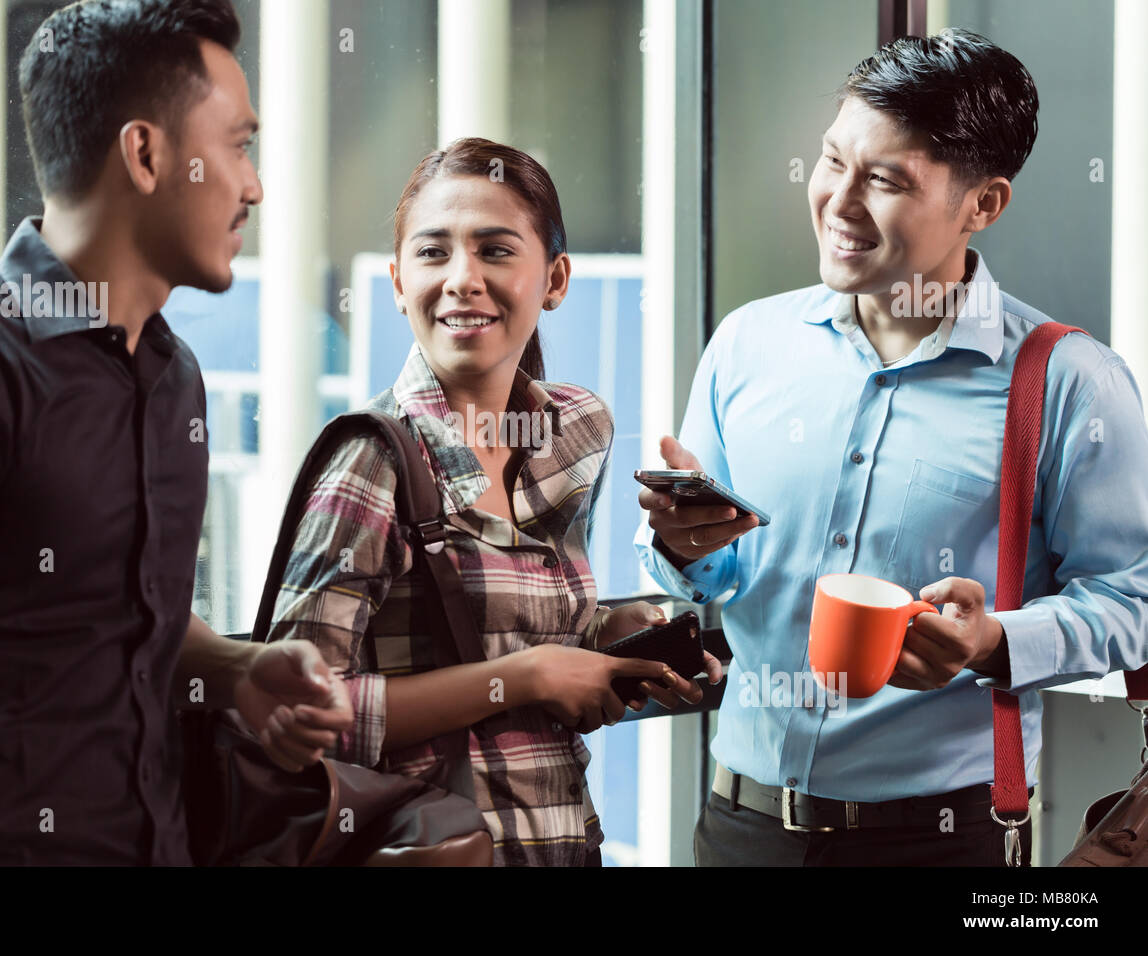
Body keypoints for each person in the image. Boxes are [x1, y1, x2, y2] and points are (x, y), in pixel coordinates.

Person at [0, 0, 350, 866]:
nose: (255, 184)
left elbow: (111, 621)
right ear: (146, 154)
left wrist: (236, 670)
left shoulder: (173, 376)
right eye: (237, 145)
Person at [636, 29, 1148, 866]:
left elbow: (1135, 600)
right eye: (834, 161)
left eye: (885, 180)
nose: (839, 200)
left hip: (938, 842)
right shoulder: (748, 343)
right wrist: (683, 546)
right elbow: (718, 575)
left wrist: (995, 643)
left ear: (982, 205)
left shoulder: (1067, 383)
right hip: (738, 825)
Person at [263, 137, 723, 866]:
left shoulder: (575, 431)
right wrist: (530, 676)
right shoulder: (372, 460)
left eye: (496, 251)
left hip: (567, 842)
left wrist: (606, 635)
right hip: (441, 851)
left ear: (556, 278)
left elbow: (496, 623)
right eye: (433, 253)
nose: (462, 279)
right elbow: (294, 712)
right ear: (396, 280)